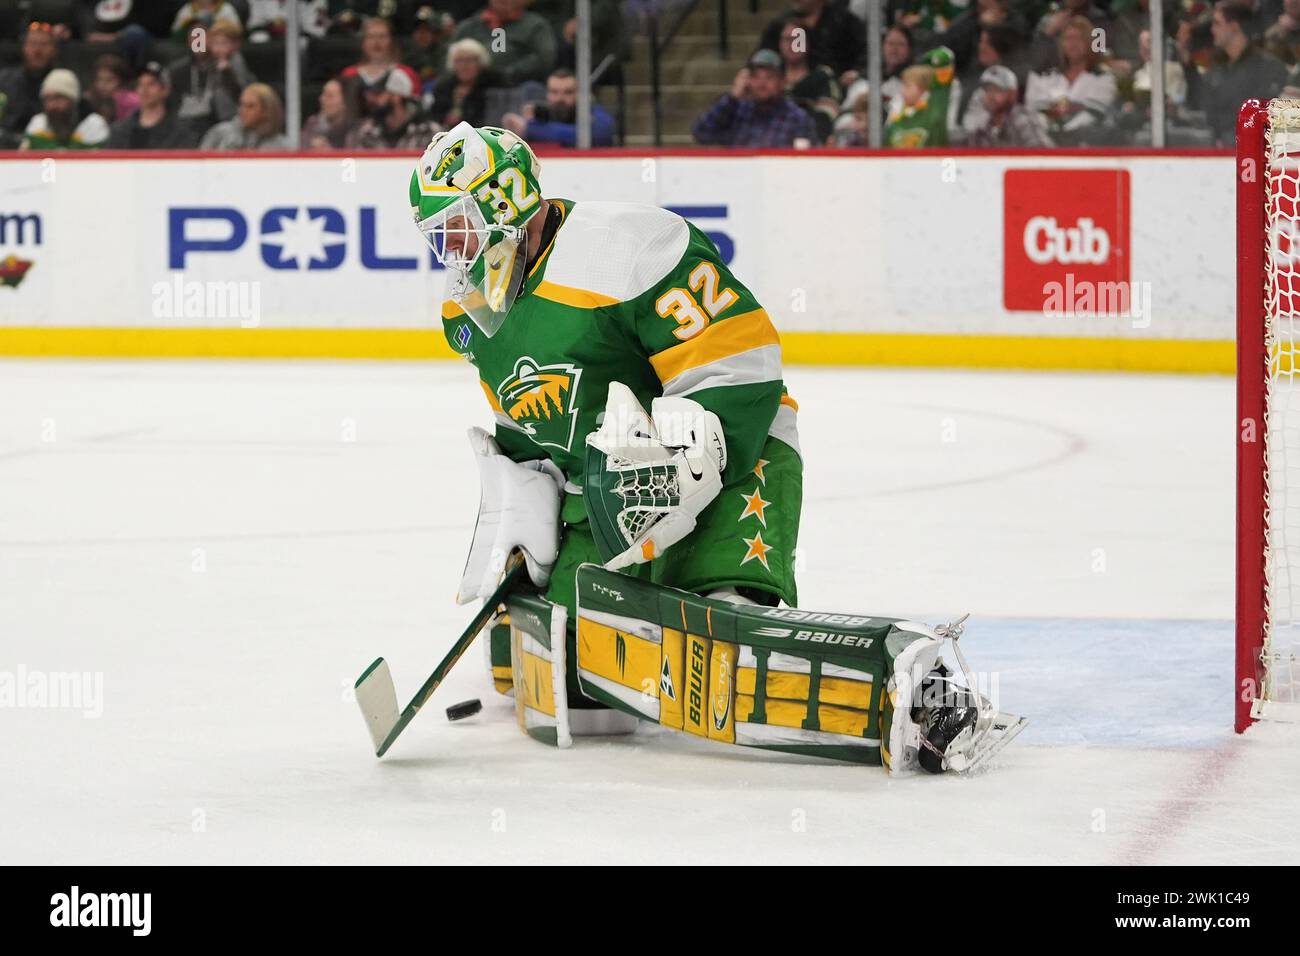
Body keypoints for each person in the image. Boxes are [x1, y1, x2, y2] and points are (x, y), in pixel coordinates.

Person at [406, 123, 1019, 774]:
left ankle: (921, 687)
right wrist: (525, 516)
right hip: (604, 494)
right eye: (441, 236)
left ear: (506, 200)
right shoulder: (467, 313)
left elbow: (743, 367)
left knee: (721, 634)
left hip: (731, 456)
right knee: (564, 660)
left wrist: (681, 460)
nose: (455, 250)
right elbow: (524, 427)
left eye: (460, 226)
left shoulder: (629, 246)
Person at [1184, 0, 1289, 145]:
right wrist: (1187, 65)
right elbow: (1201, 107)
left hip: (1253, 153)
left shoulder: (1268, 68)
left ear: (1234, 27)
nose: (1212, 30)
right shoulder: (1217, 68)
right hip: (1216, 151)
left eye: (1217, 23)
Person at [692, 49, 817, 148]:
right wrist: (733, 97)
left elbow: (811, 160)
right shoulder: (735, 109)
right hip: (738, 175)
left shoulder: (797, 118)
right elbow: (701, 134)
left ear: (783, 82)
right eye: (755, 77)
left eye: (769, 77)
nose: (761, 84)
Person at [1024, 15, 1118, 144]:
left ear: (1089, 43)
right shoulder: (1048, 76)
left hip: (1089, 145)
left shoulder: (1103, 78)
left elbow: (1094, 114)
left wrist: (1064, 131)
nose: (1073, 44)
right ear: (1061, 43)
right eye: (1068, 38)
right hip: (1047, 144)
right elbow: (1035, 109)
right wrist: (1053, 129)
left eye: (1079, 38)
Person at [167, 19, 255, 140]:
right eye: (194, 37)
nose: (198, 41)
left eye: (202, 36)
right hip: (191, 124)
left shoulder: (232, 61)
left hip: (228, 122)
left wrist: (226, 73)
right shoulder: (177, 70)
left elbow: (242, 95)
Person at [451, 0, 557, 87]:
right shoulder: (469, 27)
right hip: (474, 89)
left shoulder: (536, 26)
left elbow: (545, 59)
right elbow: (449, 60)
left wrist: (509, 73)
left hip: (518, 87)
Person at [758, 0, 866, 83]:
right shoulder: (780, 24)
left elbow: (866, 51)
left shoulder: (843, 20)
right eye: (786, 39)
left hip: (839, 84)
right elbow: (763, 55)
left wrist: (857, 72)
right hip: (790, 87)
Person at [502, 67, 615, 146]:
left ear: (579, 94)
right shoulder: (538, 113)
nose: (560, 98)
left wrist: (530, 128)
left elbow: (599, 134)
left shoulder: (593, 111)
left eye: (568, 92)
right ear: (546, 93)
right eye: (554, 92)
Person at [107, 62, 198, 150]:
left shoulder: (181, 132)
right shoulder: (120, 131)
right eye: (140, 84)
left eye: (151, 84)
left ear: (165, 90)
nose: (144, 90)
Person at [347, 70, 441, 150]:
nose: (371, 99)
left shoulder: (428, 132)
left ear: (396, 97)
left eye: (379, 94)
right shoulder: (365, 132)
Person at [0, 23, 60, 144]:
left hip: (48, 144)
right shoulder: (4, 79)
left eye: (44, 45)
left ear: (54, 50)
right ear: (23, 48)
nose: (38, 50)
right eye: (33, 44)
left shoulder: (61, 82)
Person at [21, 69, 110, 150]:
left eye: (59, 98)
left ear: (73, 101)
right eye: (48, 99)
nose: (52, 105)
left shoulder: (93, 124)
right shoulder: (37, 124)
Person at [966, 64, 1053, 145]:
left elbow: (1045, 155)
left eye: (997, 90)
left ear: (1012, 93)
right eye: (987, 90)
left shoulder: (1024, 121)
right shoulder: (982, 126)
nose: (990, 96)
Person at [199, 82, 289, 149]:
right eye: (241, 104)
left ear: (266, 111)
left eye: (250, 106)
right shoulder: (219, 133)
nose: (242, 110)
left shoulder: (280, 146)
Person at [428, 38, 495, 129]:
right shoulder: (443, 86)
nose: (464, 66)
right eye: (459, 61)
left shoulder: (492, 85)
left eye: (469, 60)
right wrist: (445, 118)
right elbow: (434, 115)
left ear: (480, 63)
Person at [883, 63, 948, 147]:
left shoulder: (934, 118)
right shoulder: (896, 116)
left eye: (908, 86)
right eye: (903, 86)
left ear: (923, 88)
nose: (903, 91)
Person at [301, 78, 354, 149]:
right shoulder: (312, 124)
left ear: (345, 102)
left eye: (329, 96)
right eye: (323, 94)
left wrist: (330, 153)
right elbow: (301, 150)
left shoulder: (357, 128)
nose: (322, 99)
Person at [87, 55, 140, 124]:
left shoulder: (132, 101)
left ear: (121, 80)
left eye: (109, 80)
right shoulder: (93, 97)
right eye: (99, 79)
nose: (103, 85)